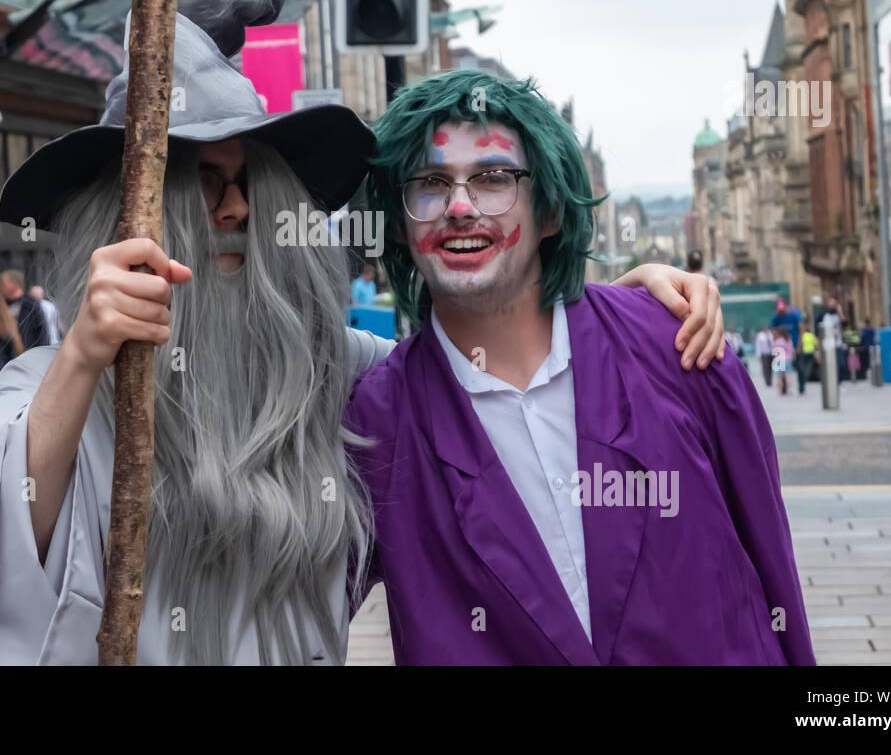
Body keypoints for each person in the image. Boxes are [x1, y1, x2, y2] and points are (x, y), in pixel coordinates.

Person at [0, 0, 726, 666]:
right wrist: (82, 358)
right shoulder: (47, 389)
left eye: (249, 180)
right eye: (204, 183)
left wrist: (614, 304)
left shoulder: (338, 373)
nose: (237, 208)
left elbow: (494, 362)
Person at [343, 70, 813, 664]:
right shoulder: (374, 424)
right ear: (402, 225)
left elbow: (774, 565)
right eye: (431, 183)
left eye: (493, 179)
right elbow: (268, 609)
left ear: (551, 213)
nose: (460, 206)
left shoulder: (682, 346)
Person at [0, 269, 48, 351]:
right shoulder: (0, 304)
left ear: (13, 284)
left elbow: (41, 332)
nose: (0, 287)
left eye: (3, 283)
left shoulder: (30, 304)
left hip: (28, 354)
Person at [771, 325, 795, 396]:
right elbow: (791, 350)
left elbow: (773, 350)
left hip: (779, 360)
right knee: (788, 376)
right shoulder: (789, 340)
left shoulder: (777, 340)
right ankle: (788, 391)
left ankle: (780, 391)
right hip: (787, 359)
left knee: (779, 377)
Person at [797, 320, 818, 395]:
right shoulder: (811, 335)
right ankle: (805, 377)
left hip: (806, 354)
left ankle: (804, 378)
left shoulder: (804, 335)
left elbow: (800, 344)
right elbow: (816, 345)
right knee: (806, 368)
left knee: (804, 368)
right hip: (808, 353)